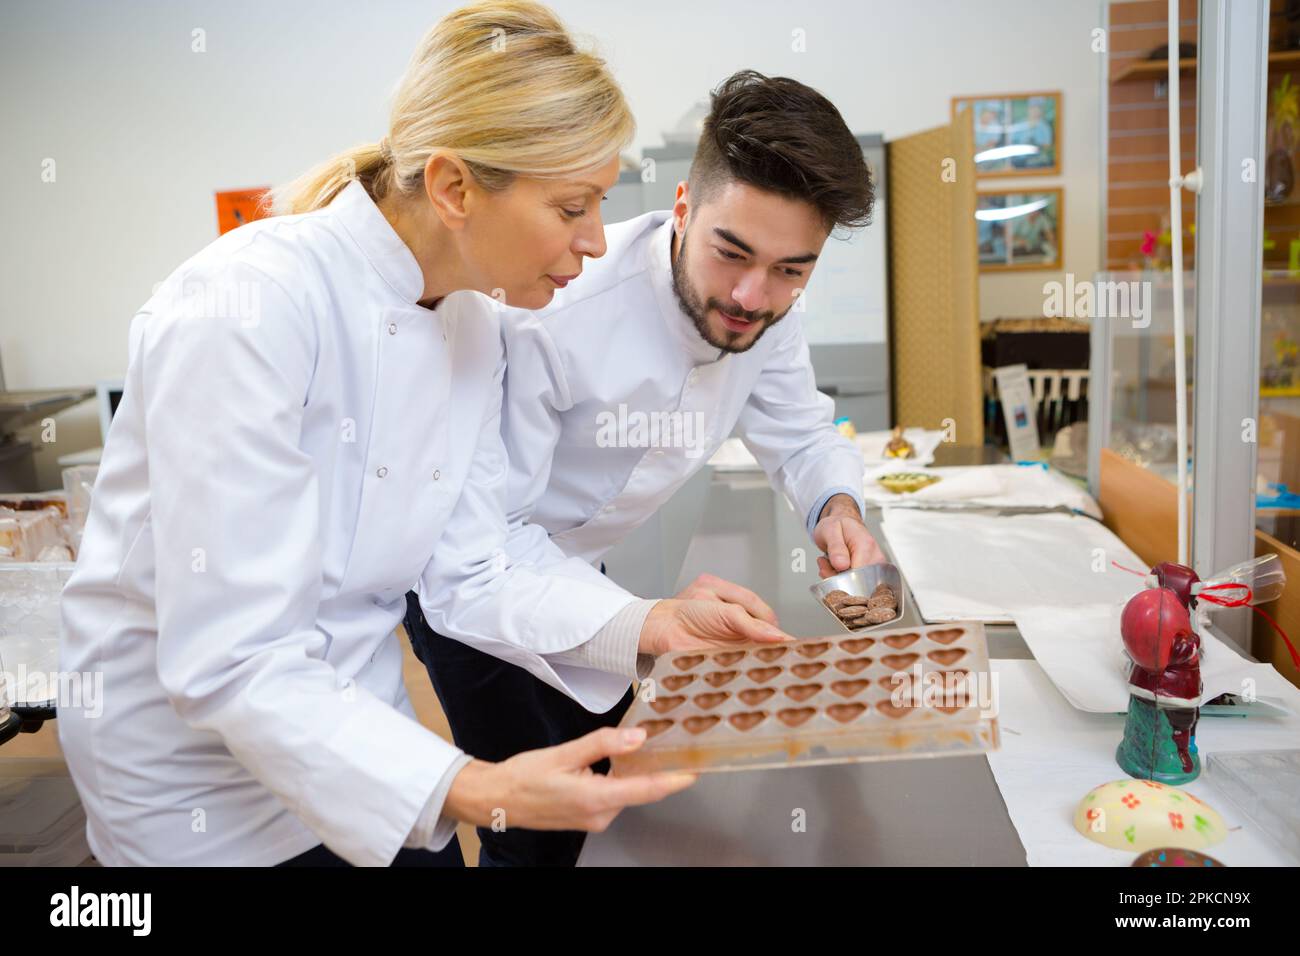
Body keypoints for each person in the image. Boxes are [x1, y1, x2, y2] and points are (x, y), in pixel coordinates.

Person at [56, 1, 785, 868]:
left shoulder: (472, 323)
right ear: (453, 188)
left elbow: (473, 569)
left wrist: (653, 623)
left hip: (365, 740)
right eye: (572, 207)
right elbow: (234, 658)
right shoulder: (247, 308)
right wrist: (478, 788)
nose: (596, 240)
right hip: (197, 796)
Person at [405, 70, 883, 866]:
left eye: (791, 270)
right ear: (684, 210)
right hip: (476, 596)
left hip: (583, 571)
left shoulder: (769, 306)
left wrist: (837, 508)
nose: (751, 295)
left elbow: (801, 430)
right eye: (732, 254)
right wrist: (649, 620)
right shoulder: (550, 314)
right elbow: (483, 550)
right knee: (533, 824)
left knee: (611, 786)